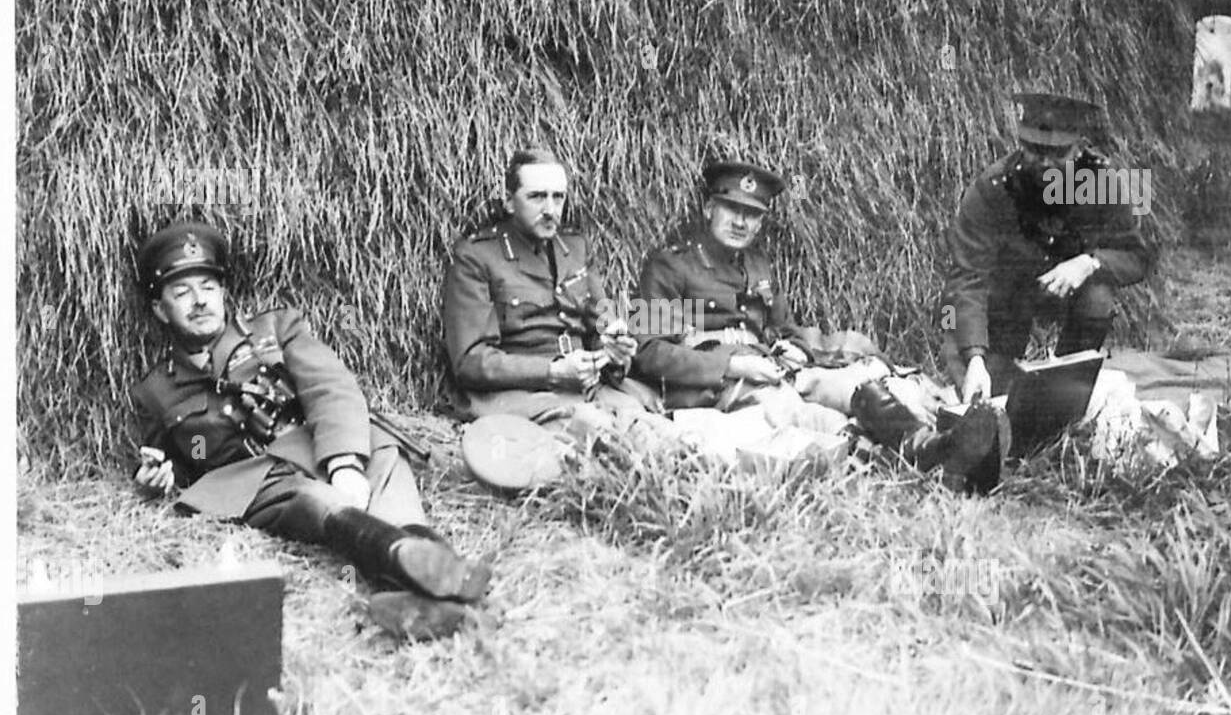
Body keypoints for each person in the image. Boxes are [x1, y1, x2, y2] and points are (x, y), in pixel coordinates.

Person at [129, 222, 490, 640]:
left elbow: (329, 386)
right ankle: (439, 587)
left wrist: (344, 463)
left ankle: (425, 580)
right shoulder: (155, 391)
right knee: (317, 501)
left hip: (328, 442)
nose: (199, 302)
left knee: (384, 465)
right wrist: (156, 478)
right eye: (181, 293)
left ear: (223, 292)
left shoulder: (275, 330)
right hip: (264, 478)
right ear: (160, 310)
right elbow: (166, 462)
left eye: (207, 287)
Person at [633, 160, 999, 479]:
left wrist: (795, 349)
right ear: (709, 208)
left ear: (761, 222)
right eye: (731, 208)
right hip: (718, 384)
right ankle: (911, 456)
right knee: (803, 414)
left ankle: (933, 444)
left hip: (773, 367)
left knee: (860, 389)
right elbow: (648, 351)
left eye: (753, 214)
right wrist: (732, 365)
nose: (741, 222)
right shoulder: (671, 266)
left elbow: (783, 327)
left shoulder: (757, 265)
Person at [942, 93, 1153, 402]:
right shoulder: (991, 190)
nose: (1044, 164)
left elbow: (1137, 257)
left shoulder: (1103, 183)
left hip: (1069, 294)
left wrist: (1089, 263)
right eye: (1034, 151)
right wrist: (974, 357)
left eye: (1058, 154)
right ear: (1020, 143)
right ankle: (996, 369)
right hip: (1009, 300)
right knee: (989, 395)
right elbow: (967, 278)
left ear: (1079, 148)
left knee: (1098, 298)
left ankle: (1068, 383)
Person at [441, 148, 660, 443]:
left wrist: (614, 350)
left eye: (558, 197)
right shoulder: (478, 256)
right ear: (508, 201)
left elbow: (601, 324)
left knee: (650, 428)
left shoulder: (575, 247)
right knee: (600, 434)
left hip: (583, 388)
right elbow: (471, 360)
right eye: (536, 197)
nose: (550, 209)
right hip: (520, 394)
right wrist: (553, 371)